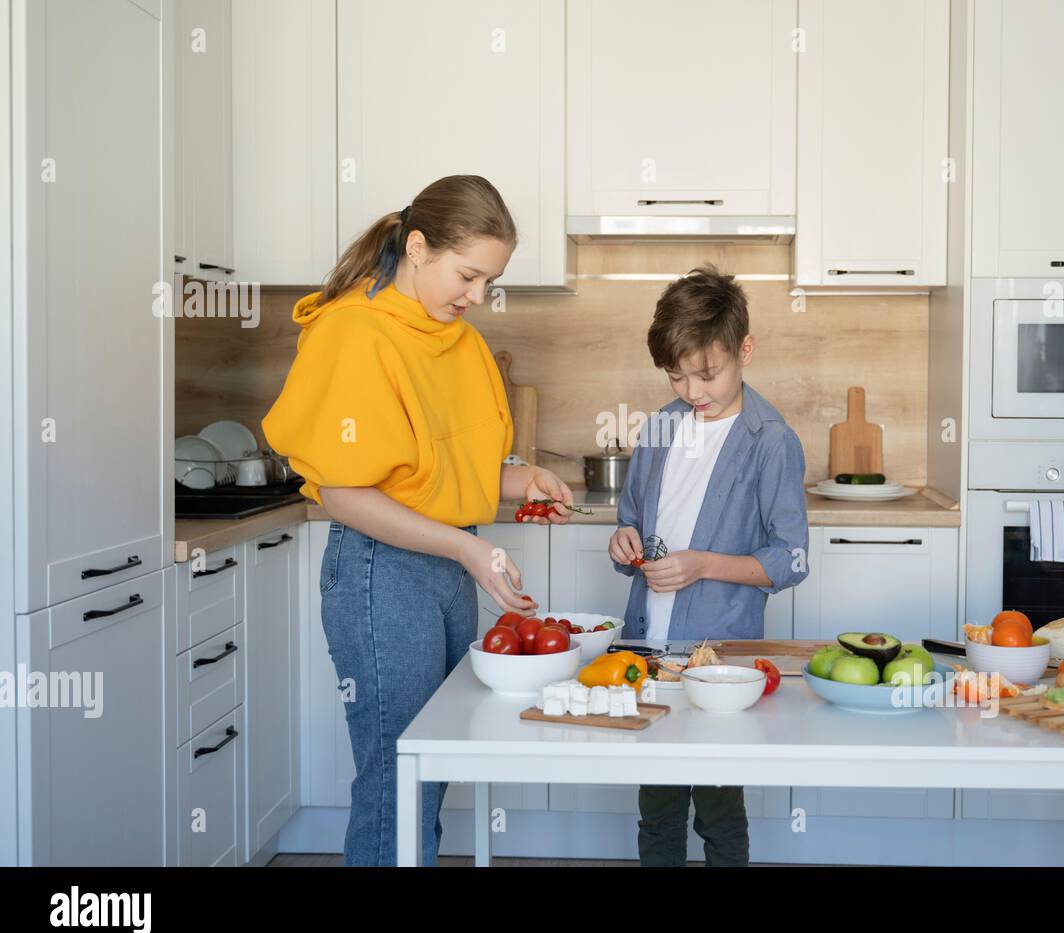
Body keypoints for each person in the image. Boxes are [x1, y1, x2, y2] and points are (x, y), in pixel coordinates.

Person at [262, 175, 573, 866]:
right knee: (394, 778)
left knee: (426, 772)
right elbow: (345, 493)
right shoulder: (354, 333)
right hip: (381, 573)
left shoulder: (452, 337)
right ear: (419, 246)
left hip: (444, 566)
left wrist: (521, 479)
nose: (477, 296)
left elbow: (433, 475)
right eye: (467, 275)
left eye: (490, 281)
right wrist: (464, 547)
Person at [608, 265, 810, 866]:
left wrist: (702, 566)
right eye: (677, 375)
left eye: (707, 373)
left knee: (719, 804)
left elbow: (790, 559)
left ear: (744, 350)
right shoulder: (662, 426)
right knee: (658, 804)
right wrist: (625, 541)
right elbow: (633, 518)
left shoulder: (769, 440)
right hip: (649, 647)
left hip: (721, 655)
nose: (693, 390)